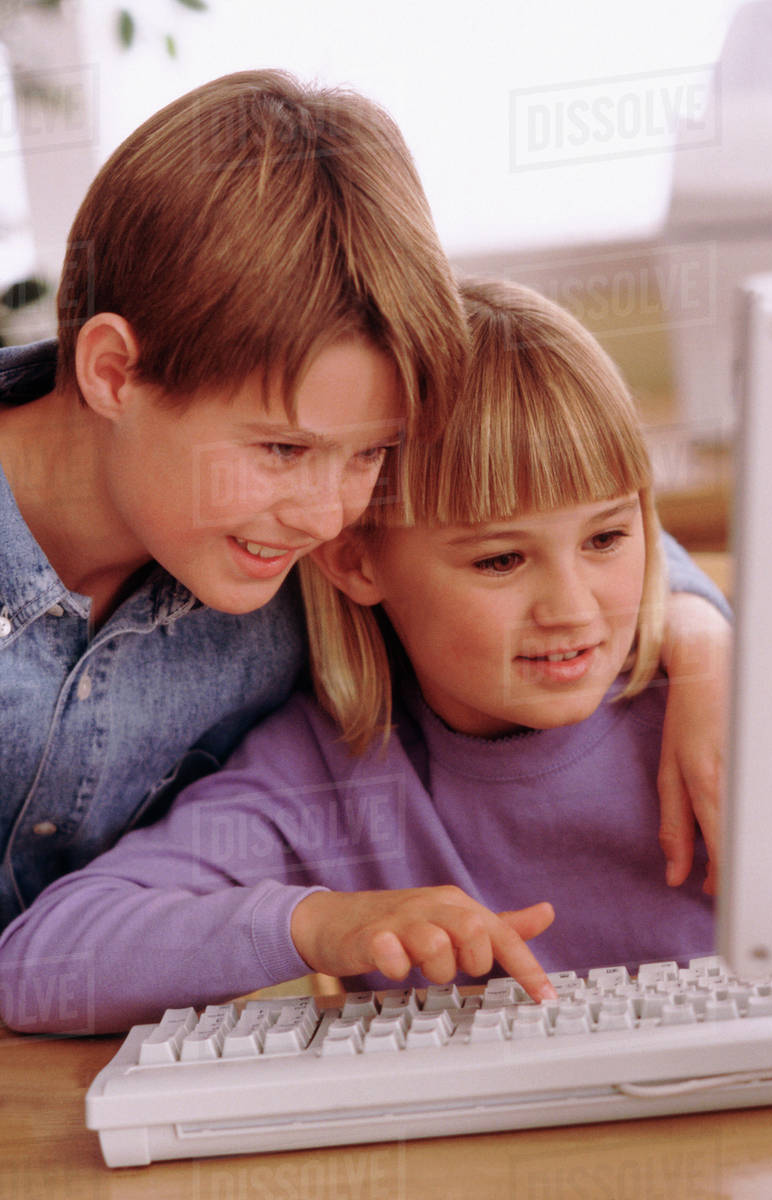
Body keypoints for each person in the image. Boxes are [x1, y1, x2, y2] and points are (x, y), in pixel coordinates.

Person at [0, 281, 716, 1034]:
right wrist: (315, 923)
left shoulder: (712, 717)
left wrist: (714, 648)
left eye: (605, 539)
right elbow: (35, 964)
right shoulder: (327, 775)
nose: (572, 608)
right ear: (354, 562)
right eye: (500, 561)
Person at [0, 68, 468, 930]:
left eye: (371, 453)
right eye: (282, 450)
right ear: (115, 373)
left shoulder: (281, 550)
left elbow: (529, 519)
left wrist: (702, 636)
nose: (326, 517)